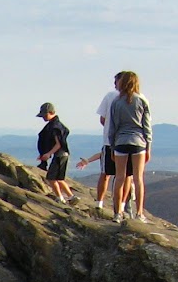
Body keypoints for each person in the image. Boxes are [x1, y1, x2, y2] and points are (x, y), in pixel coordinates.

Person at [76, 72, 127, 212]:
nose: (114, 84)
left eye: (116, 81)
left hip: (110, 141)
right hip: (127, 141)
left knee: (106, 173)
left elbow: (103, 119)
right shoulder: (136, 98)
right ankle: (121, 206)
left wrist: (110, 129)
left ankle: (100, 203)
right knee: (125, 176)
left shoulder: (110, 96)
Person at [106, 72, 152, 223]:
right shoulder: (142, 101)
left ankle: (117, 213)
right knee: (138, 179)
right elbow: (147, 126)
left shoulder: (116, 102)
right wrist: (149, 146)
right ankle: (139, 213)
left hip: (120, 141)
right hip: (139, 142)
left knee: (119, 178)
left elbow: (112, 128)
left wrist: (112, 146)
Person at [35, 102, 73, 203]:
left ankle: (60, 198)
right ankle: (72, 197)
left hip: (60, 154)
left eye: (45, 114)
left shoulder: (55, 127)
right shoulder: (54, 125)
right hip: (63, 154)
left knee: (51, 178)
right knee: (59, 178)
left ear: (51, 112)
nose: (43, 117)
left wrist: (48, 154)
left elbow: (58, 144)